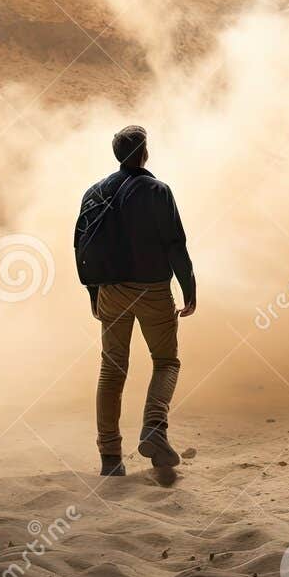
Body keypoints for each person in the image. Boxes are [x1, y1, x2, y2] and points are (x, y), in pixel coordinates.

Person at [75, 125, 195, 477]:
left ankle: (110, 457)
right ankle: (154, 428)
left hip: (110, 291)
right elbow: (175, 245)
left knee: (111, 371)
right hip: (154, 289)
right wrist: (189, 289)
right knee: (166, 362)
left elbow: (81, 246)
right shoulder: (158, 191)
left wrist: (94, 294)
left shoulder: (94, 192)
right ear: (145, 153)